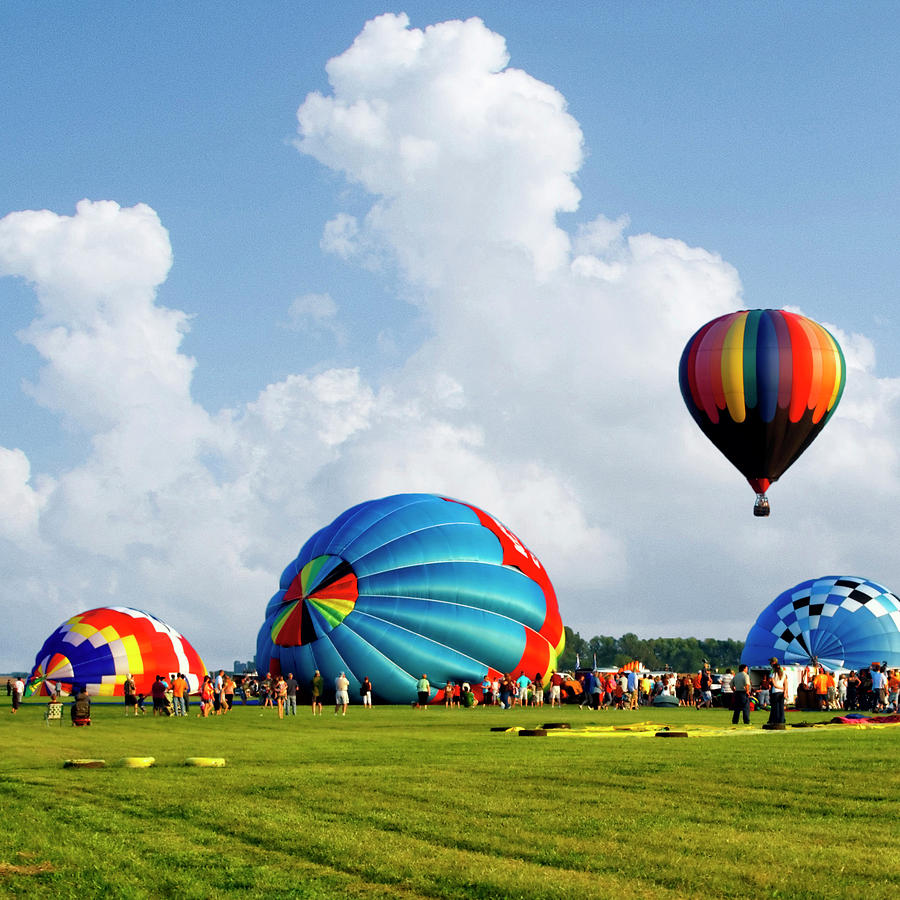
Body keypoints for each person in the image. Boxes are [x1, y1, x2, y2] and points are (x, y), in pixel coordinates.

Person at [768, 658, 787, 725]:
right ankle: (781, 720)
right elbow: (785, 682)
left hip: (775, 691)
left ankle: (775, 720)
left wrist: (780, 688)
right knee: (781, 707)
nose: (770, 663)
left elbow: (773, 683)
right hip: (781, 692)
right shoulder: (783, 673)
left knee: (775, 707)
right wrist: (785, 691)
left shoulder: (773, 673)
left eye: (771, 662)